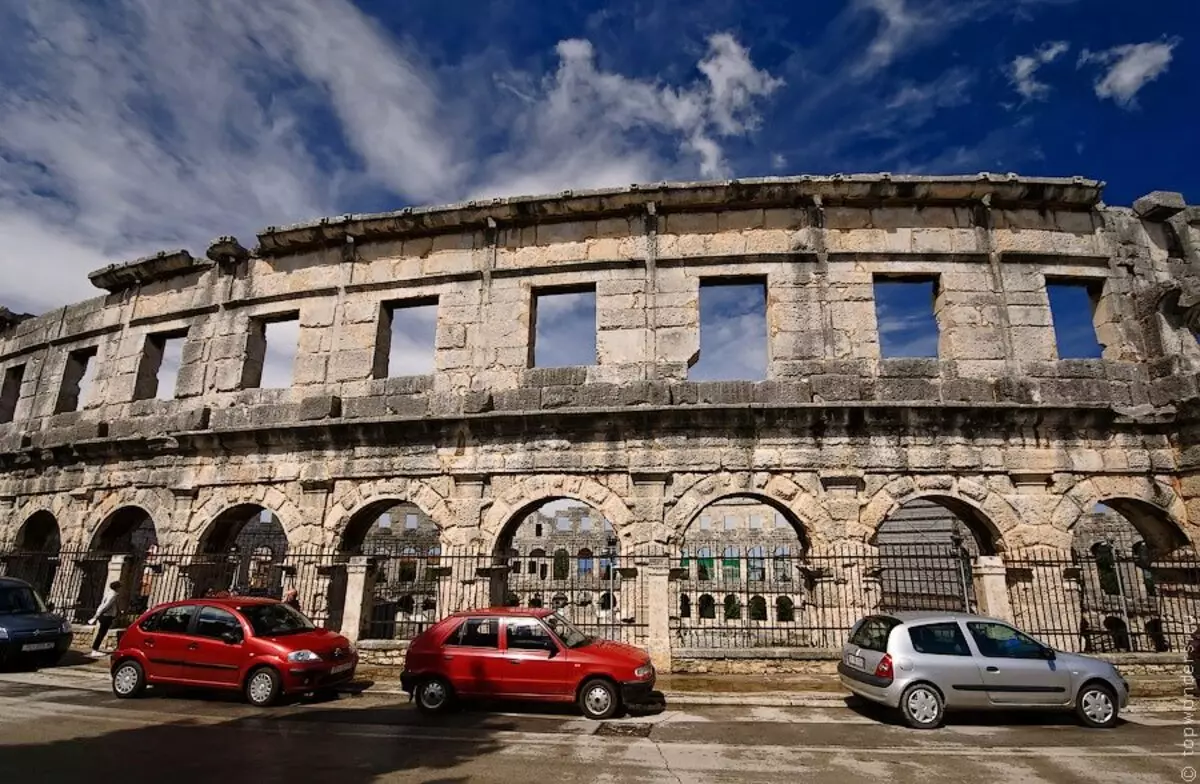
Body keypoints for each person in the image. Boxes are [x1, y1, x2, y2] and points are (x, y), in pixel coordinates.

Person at [87, 581, 121, 658]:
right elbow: (106, 605)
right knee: (102, 633)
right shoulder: (113, 595)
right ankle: (95, 650)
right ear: (117, 587)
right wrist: (98, 614)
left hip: (104, 615)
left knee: (101, 632)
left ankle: (95, 649)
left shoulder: (108, 593)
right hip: (106, 616)